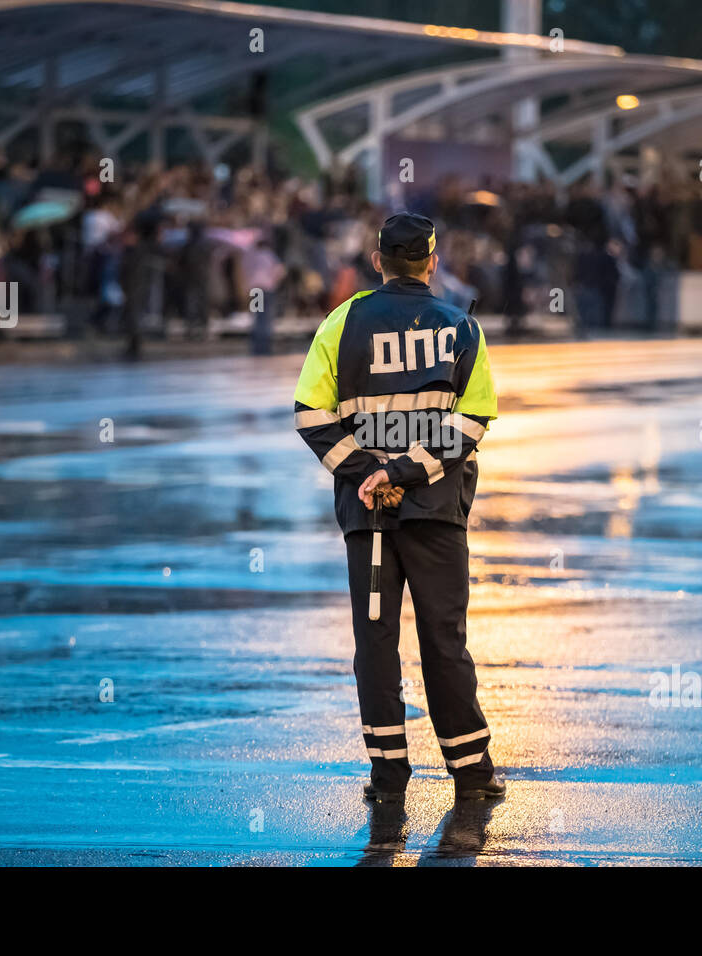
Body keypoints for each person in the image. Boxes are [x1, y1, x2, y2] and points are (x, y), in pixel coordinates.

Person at [293, 212, 505, 803]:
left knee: (376, 642)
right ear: (432, 262)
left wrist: (371, 476)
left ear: (377, 261)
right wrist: (406, 471)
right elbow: (473, 421)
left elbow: (311, 415)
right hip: (436, 513)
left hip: (370, 518)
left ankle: (388, 777)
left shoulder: (340, 324)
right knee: (444, 639)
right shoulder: (461, 327)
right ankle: (470, 772)